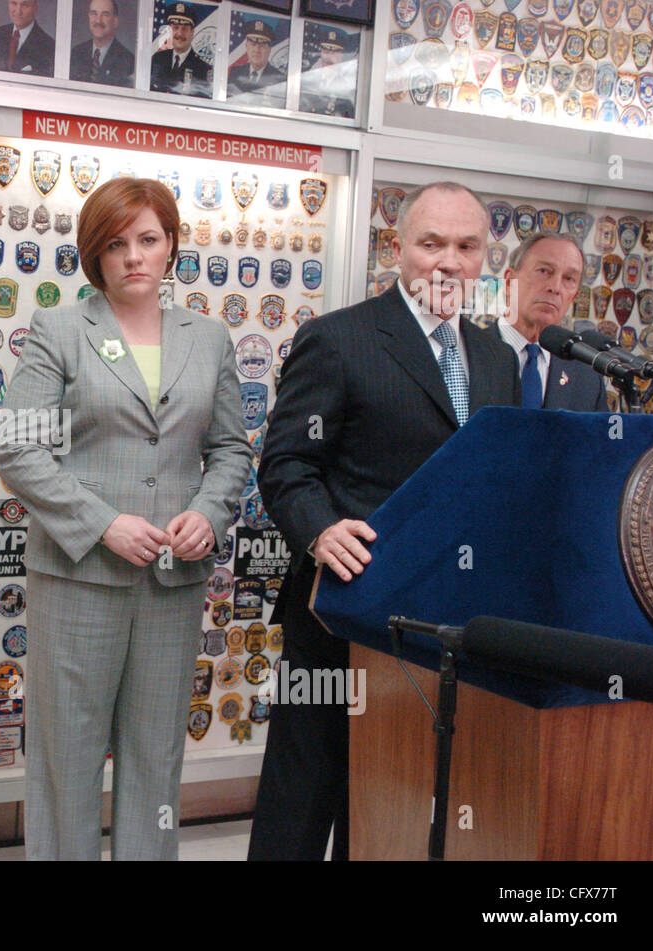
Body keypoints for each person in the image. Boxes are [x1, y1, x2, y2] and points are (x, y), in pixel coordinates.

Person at [248, 182, 521, 861]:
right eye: (432, 244)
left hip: (444, 629)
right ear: (399, 247)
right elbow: (285, 464)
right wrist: (320, 529)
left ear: (484, 257)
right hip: (343, 615)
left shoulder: (496, 357)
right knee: (301, 806)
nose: (447, 262)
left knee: (393, 807)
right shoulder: (338, 340)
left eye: (465, 246)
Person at [0, 177, 252, 860]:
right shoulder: (60, 329)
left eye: (148, 239)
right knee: (66, 759)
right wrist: (103, 522)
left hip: (174, 580)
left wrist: (207, 511)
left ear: (171, 245)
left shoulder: (210, 337)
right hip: (80, 575)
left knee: (155, 757)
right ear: (96, 255)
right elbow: (16, 445)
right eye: (116, 243)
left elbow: (230, 447)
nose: (134, 256)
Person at [498, 233, 606, 411]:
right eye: (544, 271)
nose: (555, 287)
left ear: (574, 296)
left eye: (569, 279)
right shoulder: (468, 355)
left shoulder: (587, 377)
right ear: (510, 281)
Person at [150, 3, 213, 99]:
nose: (179, 33)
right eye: (175, 28)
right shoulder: (157, 59)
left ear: (192, 32)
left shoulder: (203, 68)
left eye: (184, 29)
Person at [69, 0, 135, 87]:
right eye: (94, 13)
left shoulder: (128, 61)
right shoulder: (76, 53)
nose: (98, 21)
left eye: (105, 14)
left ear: (115, 21)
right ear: (89, 17)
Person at [0, 0, 56, 77]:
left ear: (35, 8)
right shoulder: (0, 33)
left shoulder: (47, 45)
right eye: (14, 3)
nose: (18, 11)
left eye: (25, 5)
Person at [299, 29, 355, 118]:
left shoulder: (347, 87)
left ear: (342, 55)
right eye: (326, 52)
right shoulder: (308, 80)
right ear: (321, 53)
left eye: (334, 53)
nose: (329, 57)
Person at [227, 18, 286, 103]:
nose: (256, 50)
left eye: (262, 46)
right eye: (253, 44)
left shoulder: (279, 78)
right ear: (246, 46)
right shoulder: (235, 72)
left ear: (269, 49)